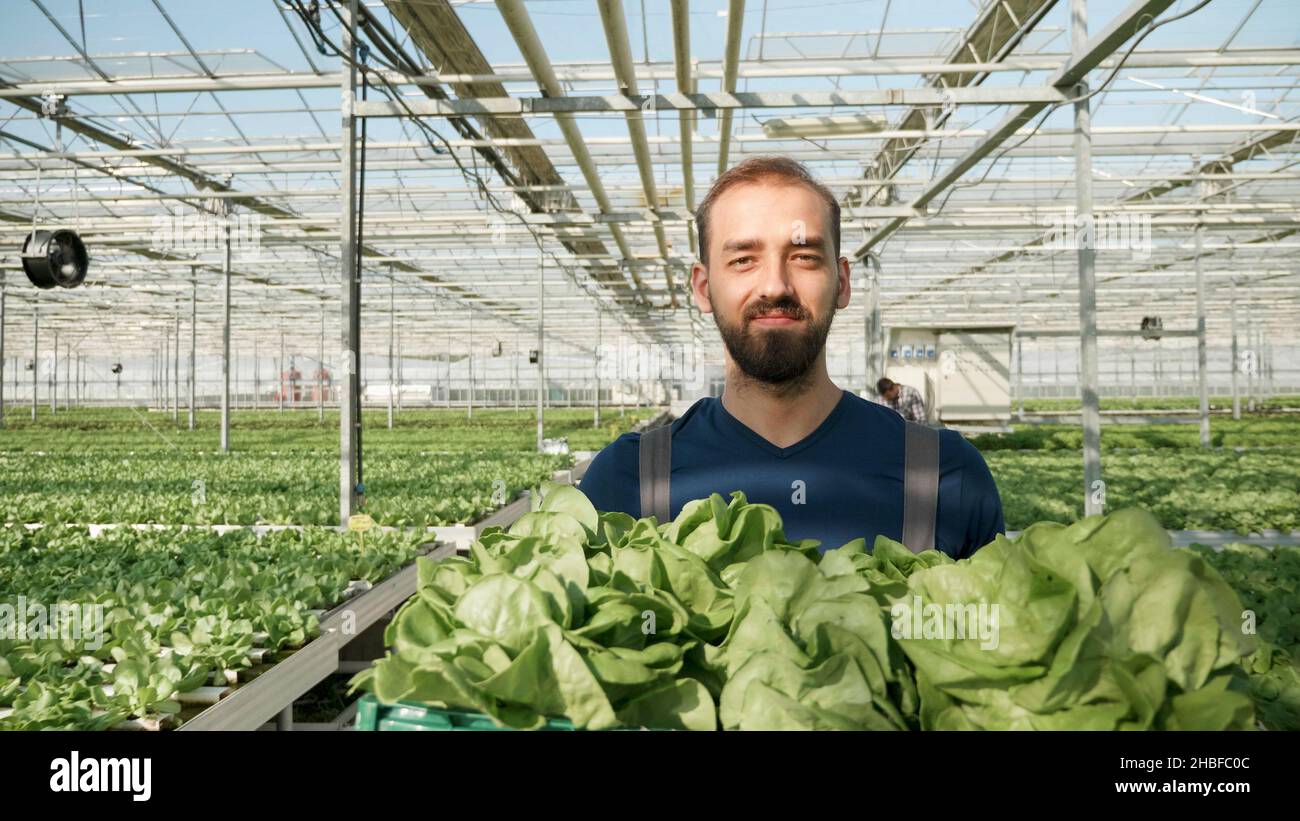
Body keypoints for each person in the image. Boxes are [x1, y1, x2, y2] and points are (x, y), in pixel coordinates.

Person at [578, 156, 1003, 558]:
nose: (775, 286)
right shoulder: (626, 481)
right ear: (704, 288)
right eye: (744, 259)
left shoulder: (947, 476)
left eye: (803, 257)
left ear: (842, 283)